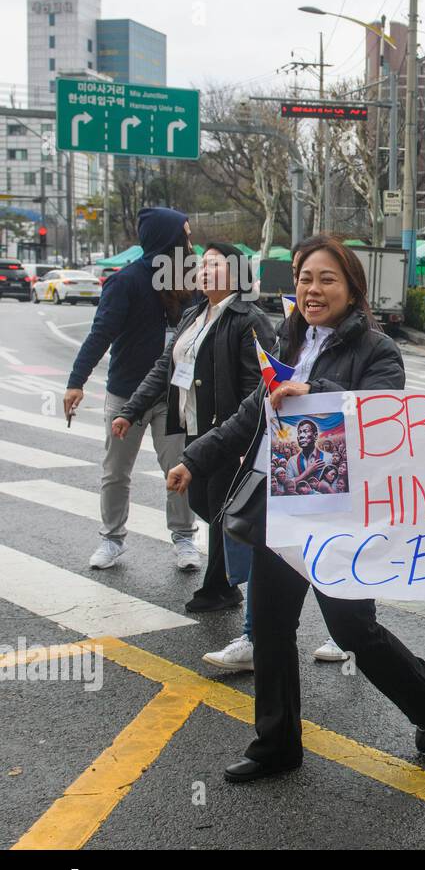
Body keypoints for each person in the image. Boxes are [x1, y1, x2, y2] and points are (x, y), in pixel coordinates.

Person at [166, 234, 425, 782]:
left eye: (327, 279)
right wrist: (196, 460)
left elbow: (381, 420)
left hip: (342, 516)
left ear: (352, 289)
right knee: (272, 627)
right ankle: (276, 745)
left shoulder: (377, 350)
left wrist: (312, 390)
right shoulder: (288, 338)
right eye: (304, 278)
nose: (313, 288)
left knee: (351, 629)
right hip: (285, 507)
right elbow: (252, 412)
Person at [112, 242, 273, 614]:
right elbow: (163, 368)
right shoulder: (194, 315)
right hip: (194, 428)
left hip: (228, 434)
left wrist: (244, 435)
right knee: (202, 500)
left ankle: (220, 588)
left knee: (217, 505)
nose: (202, 271)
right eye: (201, 265)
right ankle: (229, 575)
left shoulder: (249, 319)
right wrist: (131, 410)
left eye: (212, 265)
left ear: (235, 274)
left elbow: (257, 386)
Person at [64, 207, 200, 572]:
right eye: (184, 236)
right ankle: (111, 539)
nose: (190, 243)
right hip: (126, 394)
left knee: (178, 466)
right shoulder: (125, 282)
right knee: (115, 471)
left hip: (174, 396)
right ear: (167, 240)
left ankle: (185, 538)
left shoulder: (190, 282)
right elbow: (101, 335)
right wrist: (76, 382)